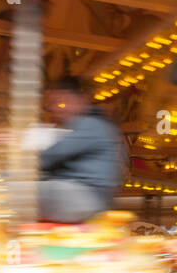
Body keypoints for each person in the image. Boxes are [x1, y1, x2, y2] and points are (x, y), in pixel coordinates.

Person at [28, 76, 128, 223]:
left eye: (62, 101)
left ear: (80, 100)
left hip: (87, 197)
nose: (57, 108)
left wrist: (24, 152)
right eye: (54, 103)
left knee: (18, 189)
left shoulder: (91, 124)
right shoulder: (80, 126)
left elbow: (51, 156)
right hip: (83, 195)